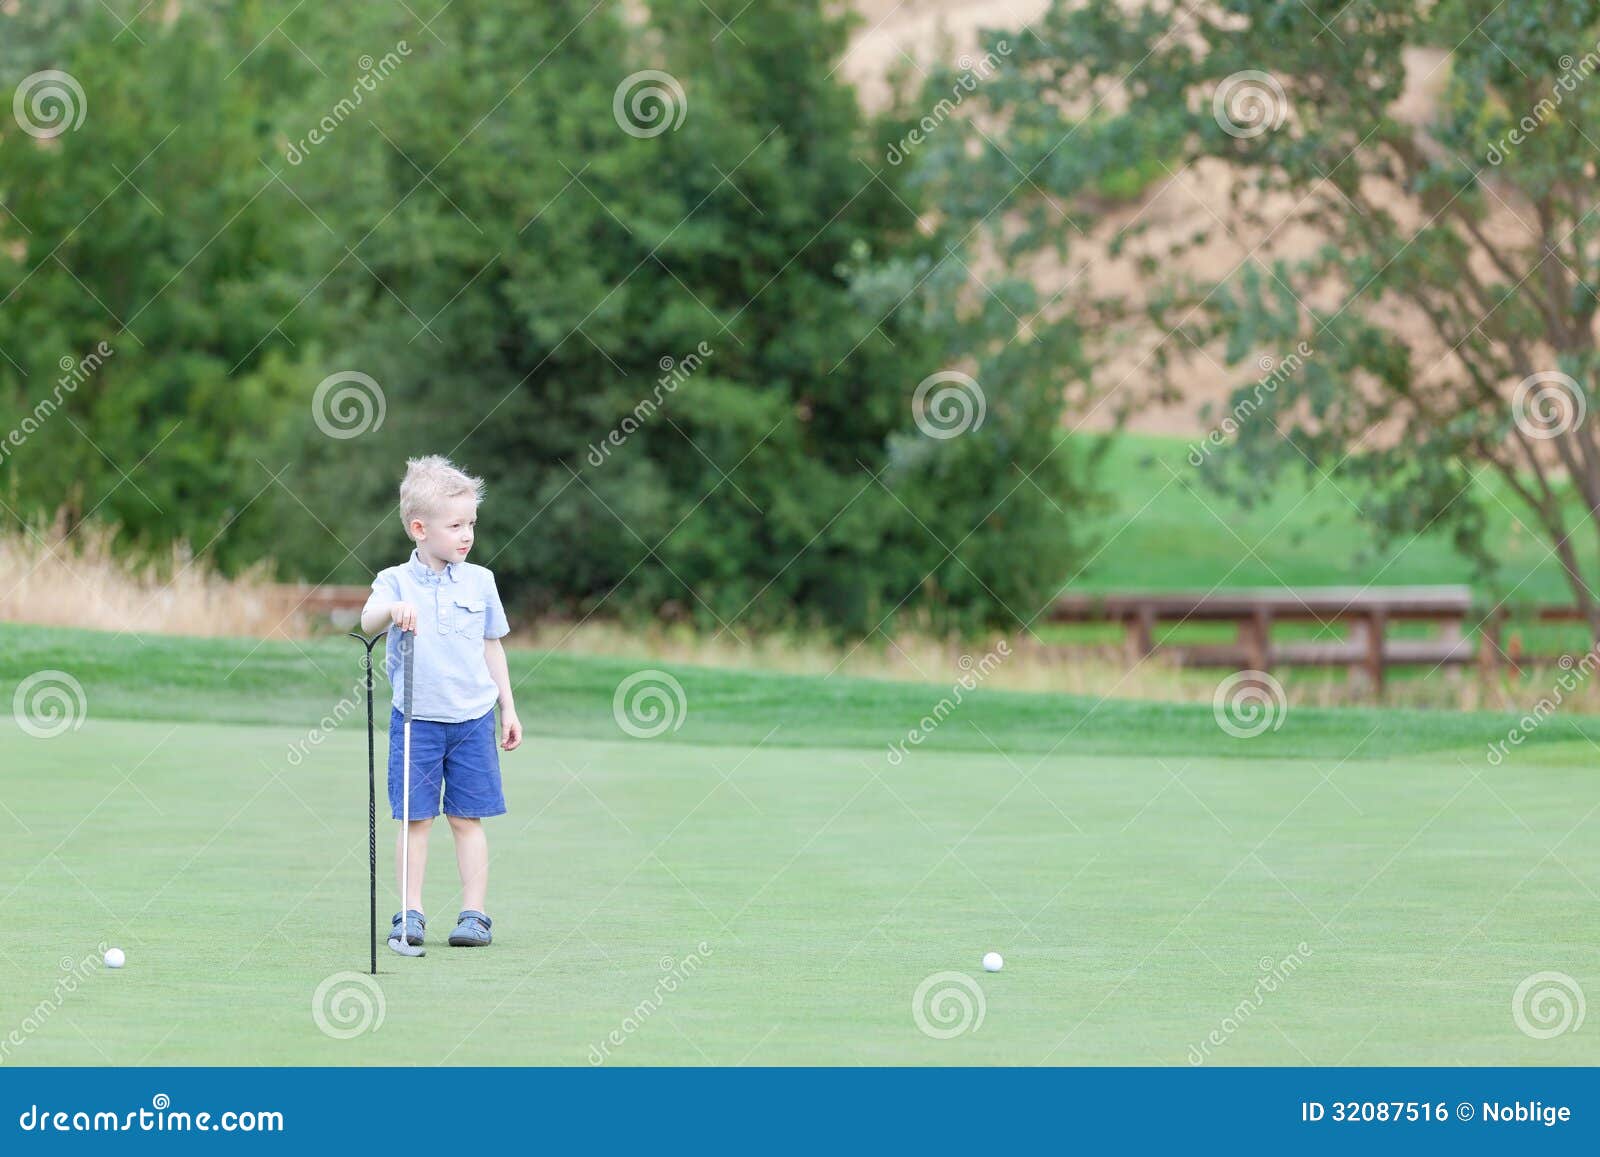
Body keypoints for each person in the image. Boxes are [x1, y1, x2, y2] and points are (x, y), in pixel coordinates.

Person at [359, 454, 523, 947]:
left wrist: (507, 708)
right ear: (419, 528)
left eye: (471, 523)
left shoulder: (481, 581)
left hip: (472, 719)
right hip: (416, 722)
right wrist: (392, 609)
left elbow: (492, 645)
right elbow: (367, 621)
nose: (467, 534)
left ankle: (474, 914)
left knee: (467, 819)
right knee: (415, 820)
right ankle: (410, 913)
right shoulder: (395, 581)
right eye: (455, 525)